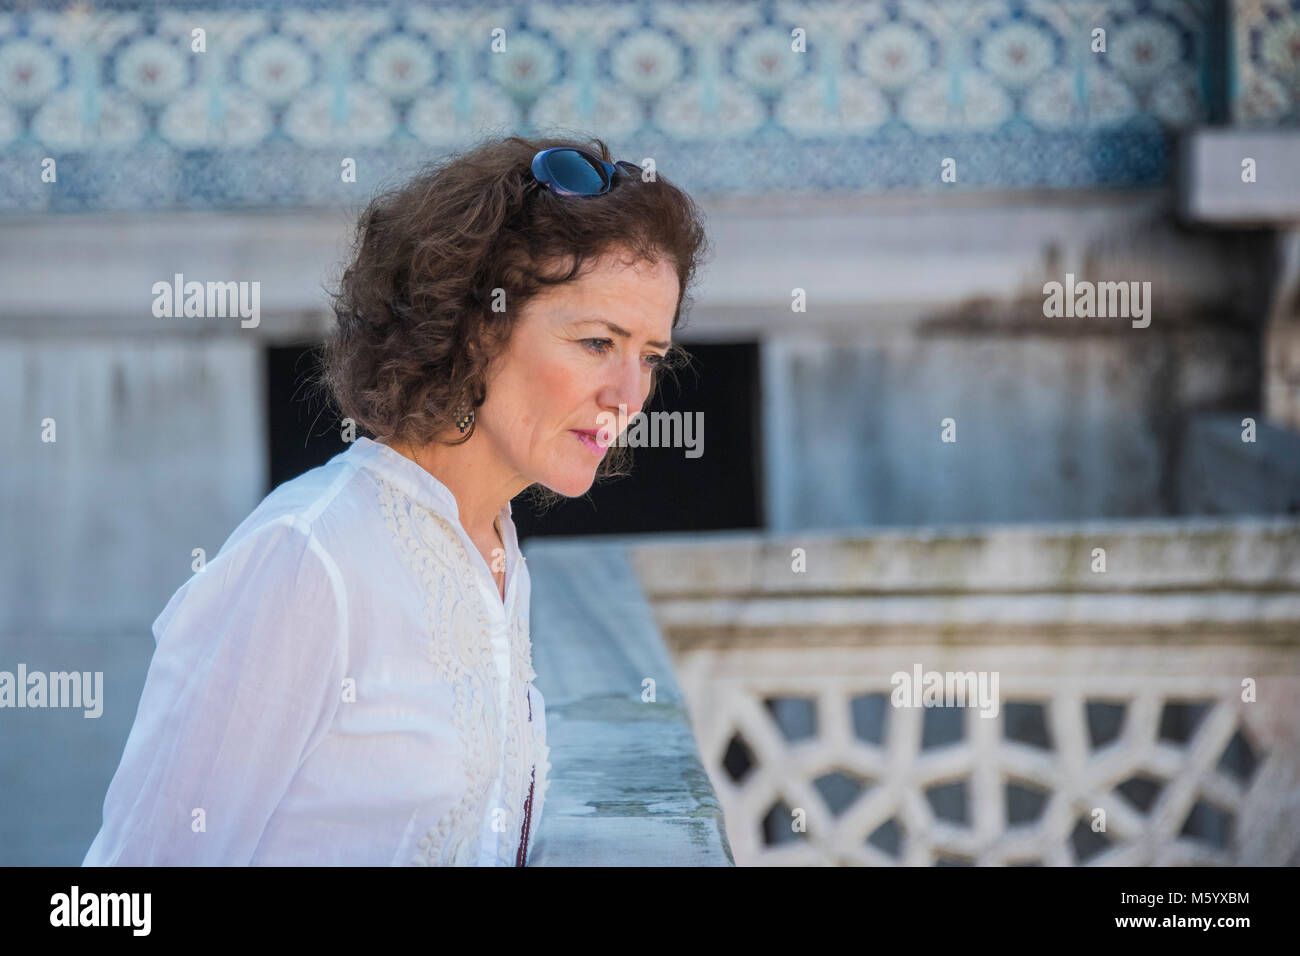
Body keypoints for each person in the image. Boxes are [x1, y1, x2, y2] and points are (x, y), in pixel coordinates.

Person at [81, 135, 708, 865]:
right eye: (599, 342)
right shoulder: (309, 557)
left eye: (651, 357)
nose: (630, 396)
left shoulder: (496, 557)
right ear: (476, 329)